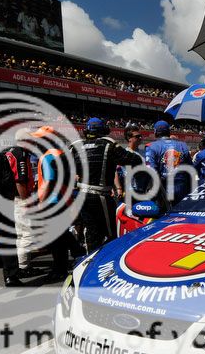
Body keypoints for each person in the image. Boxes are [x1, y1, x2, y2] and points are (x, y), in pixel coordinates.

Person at [73, 117, 143, 253]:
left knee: (92, 232)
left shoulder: (76, 146)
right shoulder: (108, 144)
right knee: (111, 233)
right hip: (101, 196)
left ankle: (91, 260)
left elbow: (56, 165)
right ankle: (108, 261)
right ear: (103, 130)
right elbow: (132, 159)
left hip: (81, 196)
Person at [33, 126, 79, 282]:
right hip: (63, 200)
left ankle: (60, 268)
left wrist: (41, 204)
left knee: (56, 239)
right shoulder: (62, 153)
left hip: (52, 201)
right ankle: (77, 254)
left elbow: (50, 180)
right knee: (61, 235)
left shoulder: (48, 156)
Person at [6, 129, 40, 282]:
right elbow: (19, 181)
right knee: (27, 234)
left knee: (20, 234)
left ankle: (21, 266)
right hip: (20, 199)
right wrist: (26, 201)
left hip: (12, 199)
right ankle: (23, 267)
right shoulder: (21, 154)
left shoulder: (10, 152)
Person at [145, 120, 192, 204]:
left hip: (164, 189)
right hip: (182, 188)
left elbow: (152, 172)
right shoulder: (182, 145)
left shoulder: (151, 146)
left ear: (155, 132)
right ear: (169, 132)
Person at [114, 125, 144, 198]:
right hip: (129, 192)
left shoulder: (145, 152)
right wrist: (118, 188)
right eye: (137, 136)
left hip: (144, 191)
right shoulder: (123, 154)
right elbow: (114, 172)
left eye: (140, 136)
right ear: (129, 138)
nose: (140, 138)